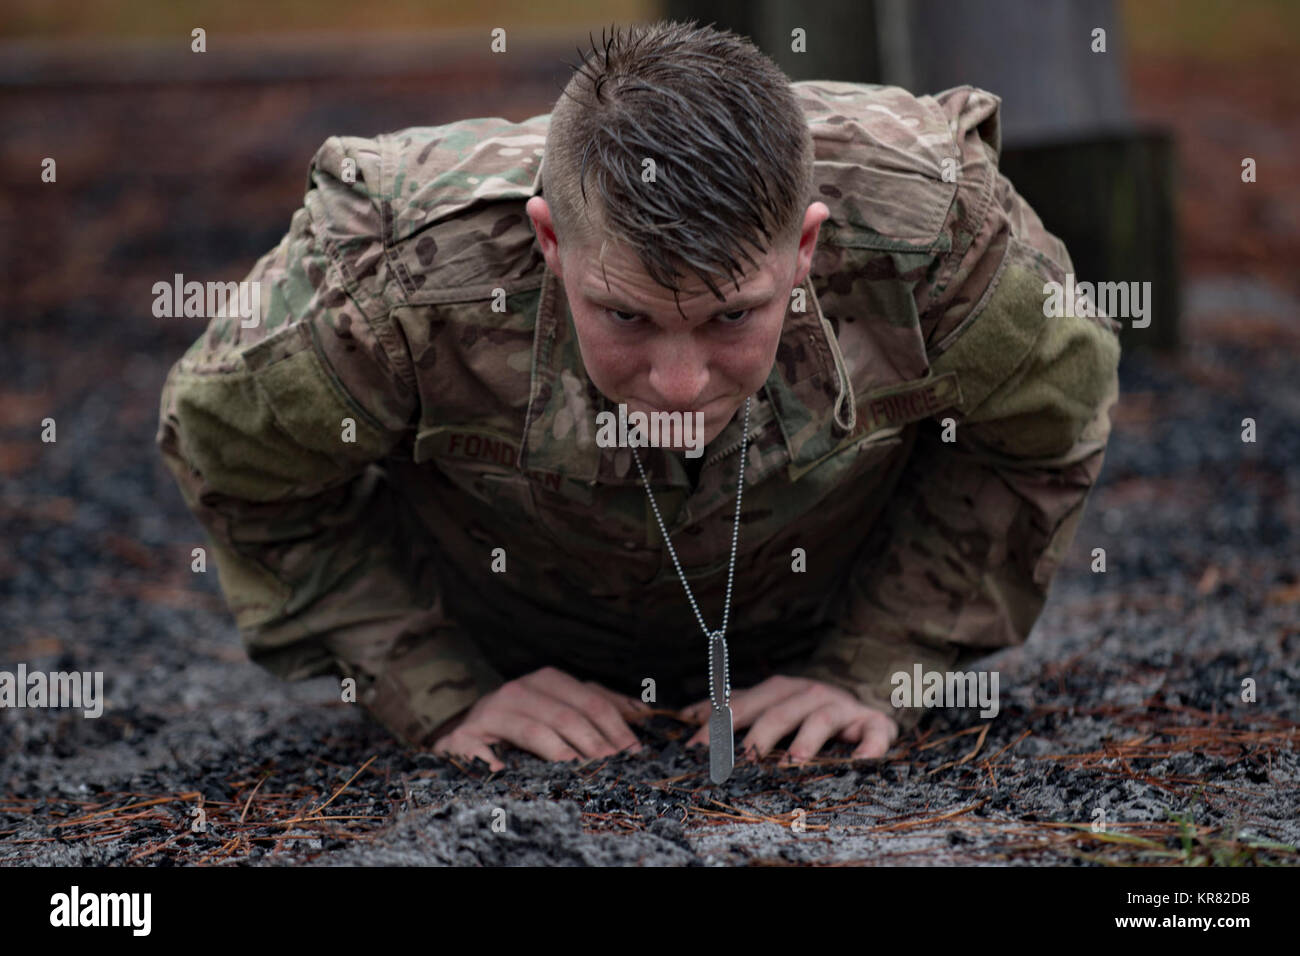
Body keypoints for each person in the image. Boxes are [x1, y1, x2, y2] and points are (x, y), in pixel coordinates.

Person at [157, 20, 1121, 776]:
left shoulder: (941, 236)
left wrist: (876, 664)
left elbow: (1044, 428)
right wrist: (437, 688)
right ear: (547, 241)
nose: (679, 382)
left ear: (808, 248)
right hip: (504, 637)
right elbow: (234, 459)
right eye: (624, 317)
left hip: (816, 620)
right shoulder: (398, 283)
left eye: (731, 317)